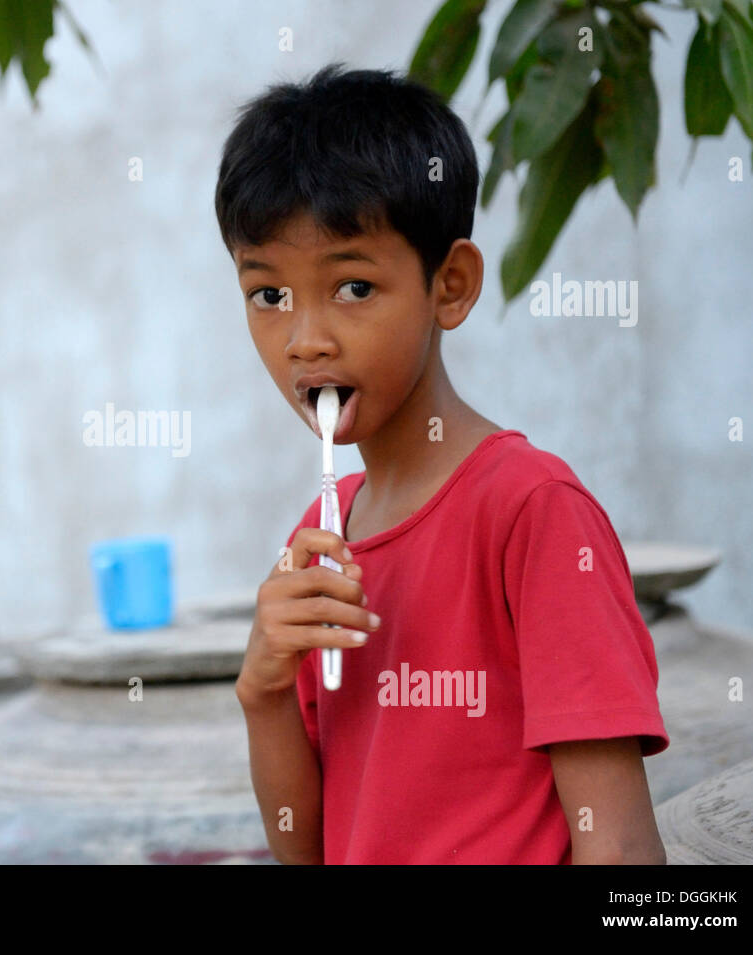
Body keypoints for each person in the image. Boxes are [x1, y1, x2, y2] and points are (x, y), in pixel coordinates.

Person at [219, 65, 668, 864]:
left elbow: (623, 848)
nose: (305, 339)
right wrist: (263, 694)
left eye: (353, 286)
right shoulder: (322, 535)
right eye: (269, 295)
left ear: (450, 286)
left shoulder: (532, 511)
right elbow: (309, 850)